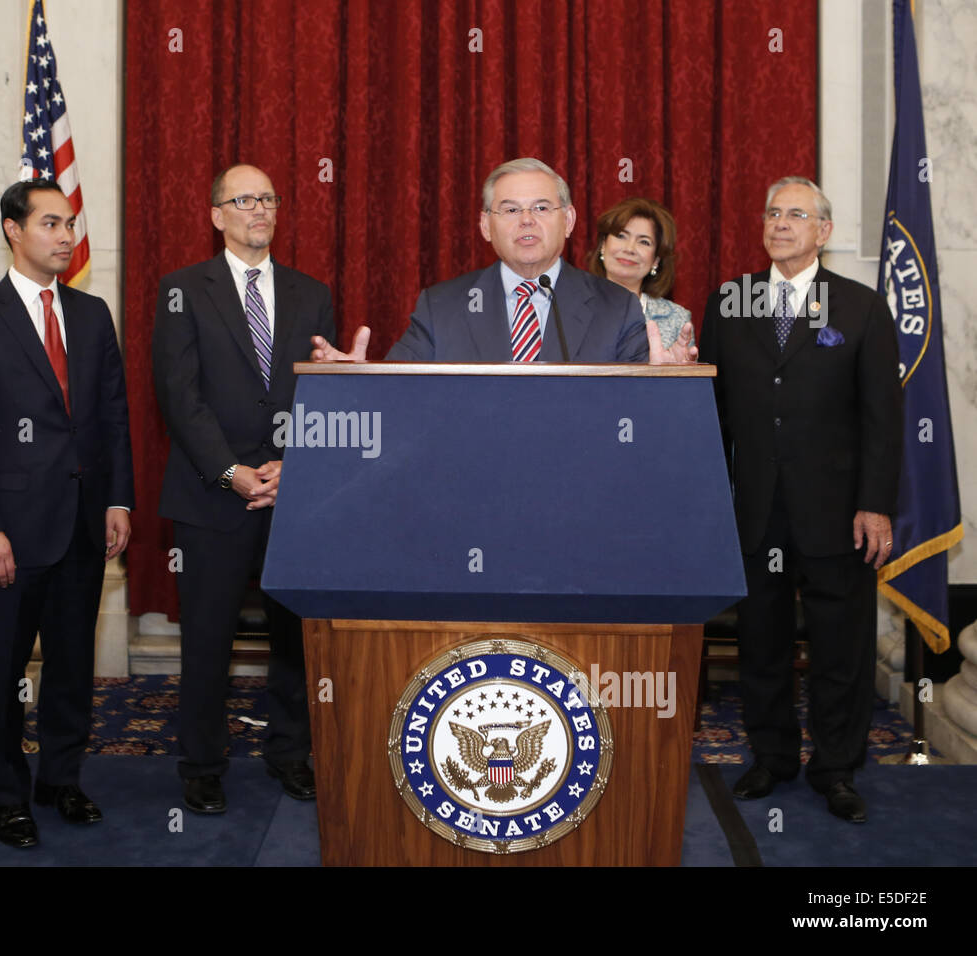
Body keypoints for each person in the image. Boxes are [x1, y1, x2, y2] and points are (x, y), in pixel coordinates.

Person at [699, 176, 903, 823]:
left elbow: (882, 418)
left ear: (825, 231)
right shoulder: (729, 302)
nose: (780, 223)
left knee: (840, 647)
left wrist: (874, 503)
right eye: (771, 213)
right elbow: (715, 415)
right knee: (763, 641)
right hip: (756, 507)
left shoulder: (862, 308)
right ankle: (771, 757)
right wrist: (705, 502)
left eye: (796, 214)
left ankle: (837, 769)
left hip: (838, 512)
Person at [0, 179, 134, 848]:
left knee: (73, 667)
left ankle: (60, 780)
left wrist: (117, 497)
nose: (65, 234)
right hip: (9, 536)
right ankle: (7, 797)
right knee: (2, 671)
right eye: (50, 222)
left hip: (83, 525)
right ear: (12, 230)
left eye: (71, 222)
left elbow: (113, 414)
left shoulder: (91, 312)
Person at [152, 163, 334, 814]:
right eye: (244, 199)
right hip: (211, 495)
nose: (259, 208)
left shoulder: (313, 294)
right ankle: (201, 765)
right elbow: (179, 396)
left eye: (268, 198)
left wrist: (295, 465)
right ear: (216, 215)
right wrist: (232, 472)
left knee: (293, 641)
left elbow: (324, 391)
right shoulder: (181, 291)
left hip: (295, 494)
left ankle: (291, 754)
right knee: (208, 640)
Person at [312, 158, 697, 364]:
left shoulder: (617, 307)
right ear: (485, 226)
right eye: (510, 209)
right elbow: (398, 393)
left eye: (542, 207)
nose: (527, 220)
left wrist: (668, 380)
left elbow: (643, 413)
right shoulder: (441, 307)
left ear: (569, 221)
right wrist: (353, 380)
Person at [587, 197, 694, 353]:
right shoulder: (569, 304)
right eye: (621, 236)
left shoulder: (678, 318)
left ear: (656, 260)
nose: (629, 249)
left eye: (644, 242)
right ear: (603, 245)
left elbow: (688, 375)